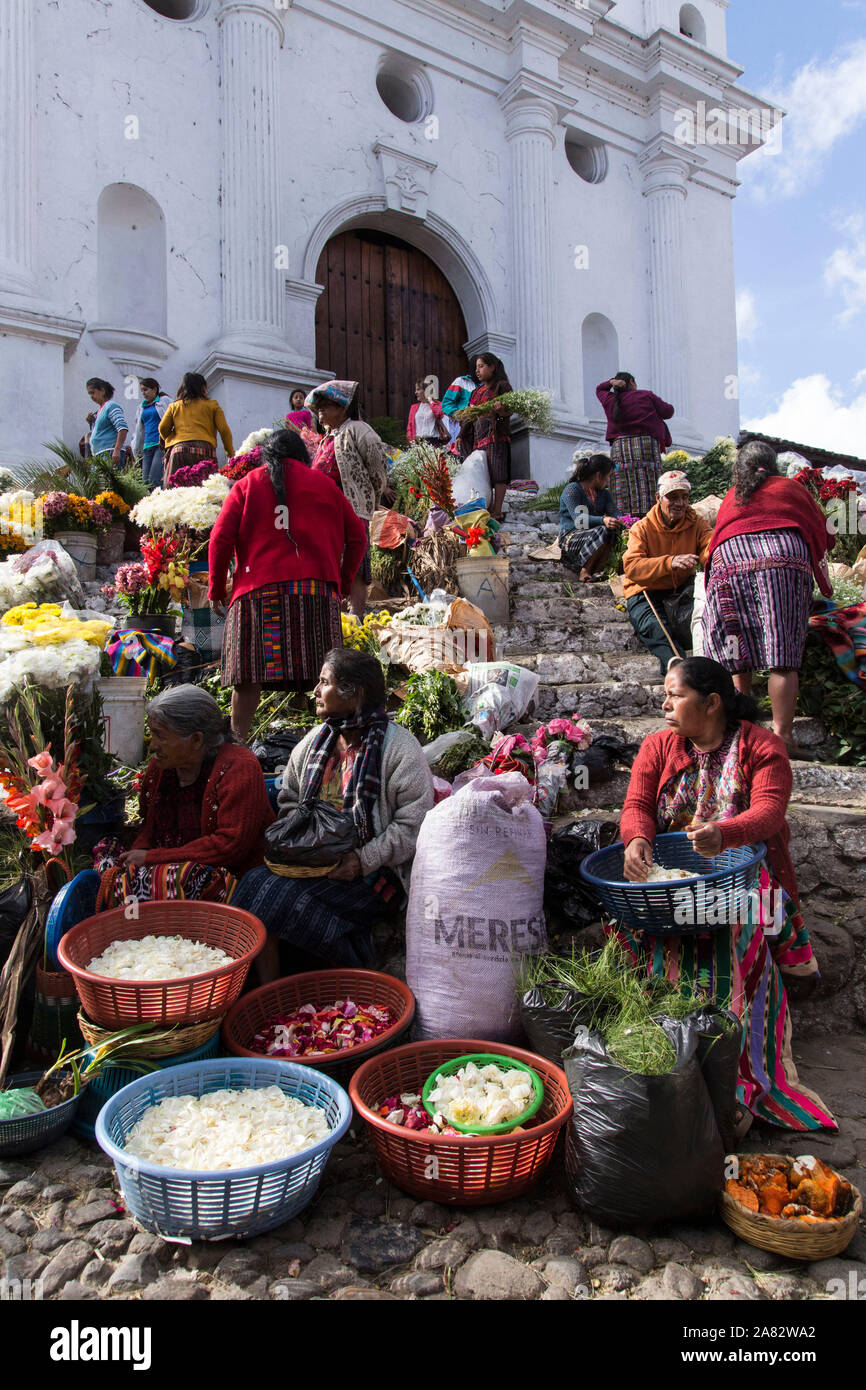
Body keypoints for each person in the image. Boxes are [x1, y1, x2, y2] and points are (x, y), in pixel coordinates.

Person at [618, 657, 834, 1133]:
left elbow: (770, 812)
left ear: (712, 702)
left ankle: (734, 1080)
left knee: (736, 934)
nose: (664, 704)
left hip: (742, 878)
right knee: (640, 923)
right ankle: (667, 1054)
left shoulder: (763, 747)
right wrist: (637, 840)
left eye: (675, 695)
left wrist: (726, 834)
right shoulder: (658, 746)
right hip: (671, 879)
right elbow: (636, 805)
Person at [233, 649, 435, 981]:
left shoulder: (400, 750)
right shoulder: (315, 743)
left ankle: (351, 971)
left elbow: (412, 828)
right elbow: (289, 799)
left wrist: (361, 859)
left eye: (324, 682)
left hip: (374, 875)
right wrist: (306, 845)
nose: (315, 690)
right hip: (313, 865)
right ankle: (260, 989)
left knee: (278, 898)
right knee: (253, 883)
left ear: (355, 693)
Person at [209, 428, 368, 742]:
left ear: (267, 455)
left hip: (256, 593)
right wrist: (344, 582)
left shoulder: (246, 485)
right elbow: (358, 537)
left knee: (248, 679)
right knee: (322, 677)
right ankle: (328, 744)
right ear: (302, 456)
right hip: (316, 593)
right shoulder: (326, 486)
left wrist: (216, 588)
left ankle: (236, 743)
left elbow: (220, 538)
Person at [703, 441, 833, 750]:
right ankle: (782, 737)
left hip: (729, 563)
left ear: (740, 468)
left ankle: (744, 731)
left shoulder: (732, 496)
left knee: (737, 650)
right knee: (782, 657)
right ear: (772, 464)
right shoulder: (790, 487)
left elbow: (717, 537)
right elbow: (823, 528)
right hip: (782, 560)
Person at [95, 687, 274, 910]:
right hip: (167, 869)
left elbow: (229, 846)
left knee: (176, 879)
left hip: (229, 877)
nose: (153, 746)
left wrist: (153, 859)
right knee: (109, 860)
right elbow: (148, 830)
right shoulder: (160, 768)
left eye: (161, 735)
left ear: (197, 739)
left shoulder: (239, 767)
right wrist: (134, 862)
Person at [305, 380, 392, 619]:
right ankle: (337, 614)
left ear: (343, 408)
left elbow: (376, 465)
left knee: (354, 565)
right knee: (332, 562)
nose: (321, 410)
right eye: (319, 406)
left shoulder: (357, 429)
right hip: (325, 514)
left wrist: (369, 496)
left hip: (351, 509)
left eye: (327, 405)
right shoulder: (325, 438)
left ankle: (356, 615)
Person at [623, 470, 712, 675]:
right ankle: (678, 668)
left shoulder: (696, 523)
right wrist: (670, 562)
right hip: (645, 590)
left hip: (680, 588)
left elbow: (710, 546)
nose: (680, 503)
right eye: (672, 497)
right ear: (658, 499)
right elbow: (632, 567)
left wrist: (713, 555)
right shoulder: (642, 528)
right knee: (655, 628)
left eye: (684, 497)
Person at [596, 372, 675, 518]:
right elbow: (668, 412)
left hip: (621, 448)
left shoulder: (609, 399)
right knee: (649, 481)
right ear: (631, 382)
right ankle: (653, 517)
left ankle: (625, 519)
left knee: (623, 482)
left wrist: (611, 382)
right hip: (646, 446)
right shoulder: (645, 396)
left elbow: (599, 389)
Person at [459, 354, 513, 522]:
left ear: (492, 367)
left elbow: (509, 410)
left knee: (498, 473)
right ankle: (485, 506)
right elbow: (469, 415)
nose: (477, 370)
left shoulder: (502, 386)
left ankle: (497, 509)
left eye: (481, 366)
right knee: (483, 473)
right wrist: (461, 435)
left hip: (495, 437)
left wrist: (500, 409)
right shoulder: (477, 392)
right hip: (478, 438)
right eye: (476, 367)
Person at [159, 372, 234, 484]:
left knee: (175, 491)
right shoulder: (212, 405)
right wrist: (230, 454)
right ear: (203, 387)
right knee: (206, 490)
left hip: (180, 450)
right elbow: (224, 430)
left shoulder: (175, 406)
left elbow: (163, 428)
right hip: (206, 451)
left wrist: (170, 439)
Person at [559, 452, 622, 583]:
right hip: (571, 537)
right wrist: (602, 520)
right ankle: (585, 570)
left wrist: (623, 520)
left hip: (595, 535)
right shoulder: (573, 489)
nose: (608, 480)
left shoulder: (604, 494)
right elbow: (579, 520)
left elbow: (614, 511)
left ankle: (598, 570)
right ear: (598, 475)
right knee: (603, 529)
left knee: (611, 531)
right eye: (608, 476)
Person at [132, 378, 172, 489]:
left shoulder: (164, 401)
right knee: (145, 482)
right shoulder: (141, 407)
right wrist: (136, 449)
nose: (144, 393)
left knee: (155, 479)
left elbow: (173, 418)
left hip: (160, 445)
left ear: (154, 389)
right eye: (142, 391)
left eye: (146, 389)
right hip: (146, 446)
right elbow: (138, 430)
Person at [86, 379, 128, 466]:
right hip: (99, 454)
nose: (91, 396)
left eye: (93, 392)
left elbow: (122, 428)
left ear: (102, 390)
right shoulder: (99, 411)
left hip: (109, 452)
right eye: (89, 394)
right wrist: (92, 422)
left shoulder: (111, 406)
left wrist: (117, 450)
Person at [407, 381, 449, 445]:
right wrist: (411, 440)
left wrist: (431, 401)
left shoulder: (438, 405)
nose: (415, 392)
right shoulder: (414, 407)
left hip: (435, 441)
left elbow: (439, 414)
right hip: (418, 442)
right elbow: (410, 426)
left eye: (418, 389)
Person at [441, 369, 477, 443]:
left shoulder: (487, 384)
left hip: (481, 429)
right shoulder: (461, 381)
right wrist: (459, 415)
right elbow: (446, 403)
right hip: (462, 428)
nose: (478, 370)